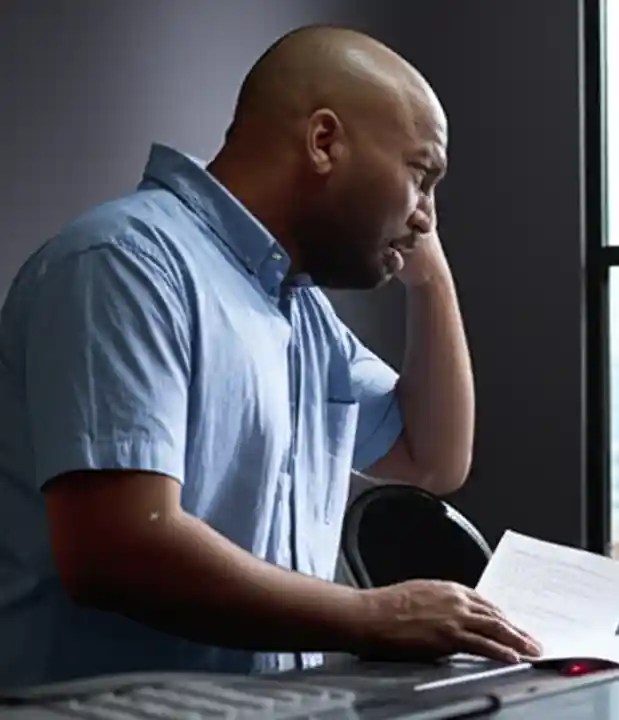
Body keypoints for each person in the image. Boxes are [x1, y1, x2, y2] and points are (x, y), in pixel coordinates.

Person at [0, 25, 541, 689]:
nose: (427, 215)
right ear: (323, 142)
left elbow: (433, 459)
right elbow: (118, 549)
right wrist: (374, 615)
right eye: (421, 176)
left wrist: (431, 278)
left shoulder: (300, 311)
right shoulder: (125, 265)